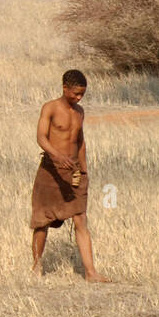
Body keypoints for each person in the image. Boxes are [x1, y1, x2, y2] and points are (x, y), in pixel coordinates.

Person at [31, 69, 107, 281]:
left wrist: (84, 170)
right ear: (65, 88)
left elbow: (80, 142)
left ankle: (91, 272)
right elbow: (41, 137)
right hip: (51, 171)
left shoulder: (80, 111)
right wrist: (57, 156)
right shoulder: (50, 108)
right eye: (75, 93)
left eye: (82, 94)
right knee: (42, 221)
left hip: (74, 172)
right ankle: (36, 266)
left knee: (81, 219)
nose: (78, 98)